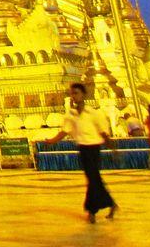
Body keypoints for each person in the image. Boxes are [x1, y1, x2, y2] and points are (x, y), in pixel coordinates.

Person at [42, 82, 117, 223]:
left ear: (84, 95)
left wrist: (113, 148)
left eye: (76, 93)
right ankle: (110, 204)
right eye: (71, 93)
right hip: (83, 148)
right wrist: (51, 141)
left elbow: (103, 132)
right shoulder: (71, 114)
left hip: (94, 148)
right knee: (94, 179)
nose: (73, 96)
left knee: (93, 179)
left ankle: (91, 210)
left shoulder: (94, 113)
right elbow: (65, 131)